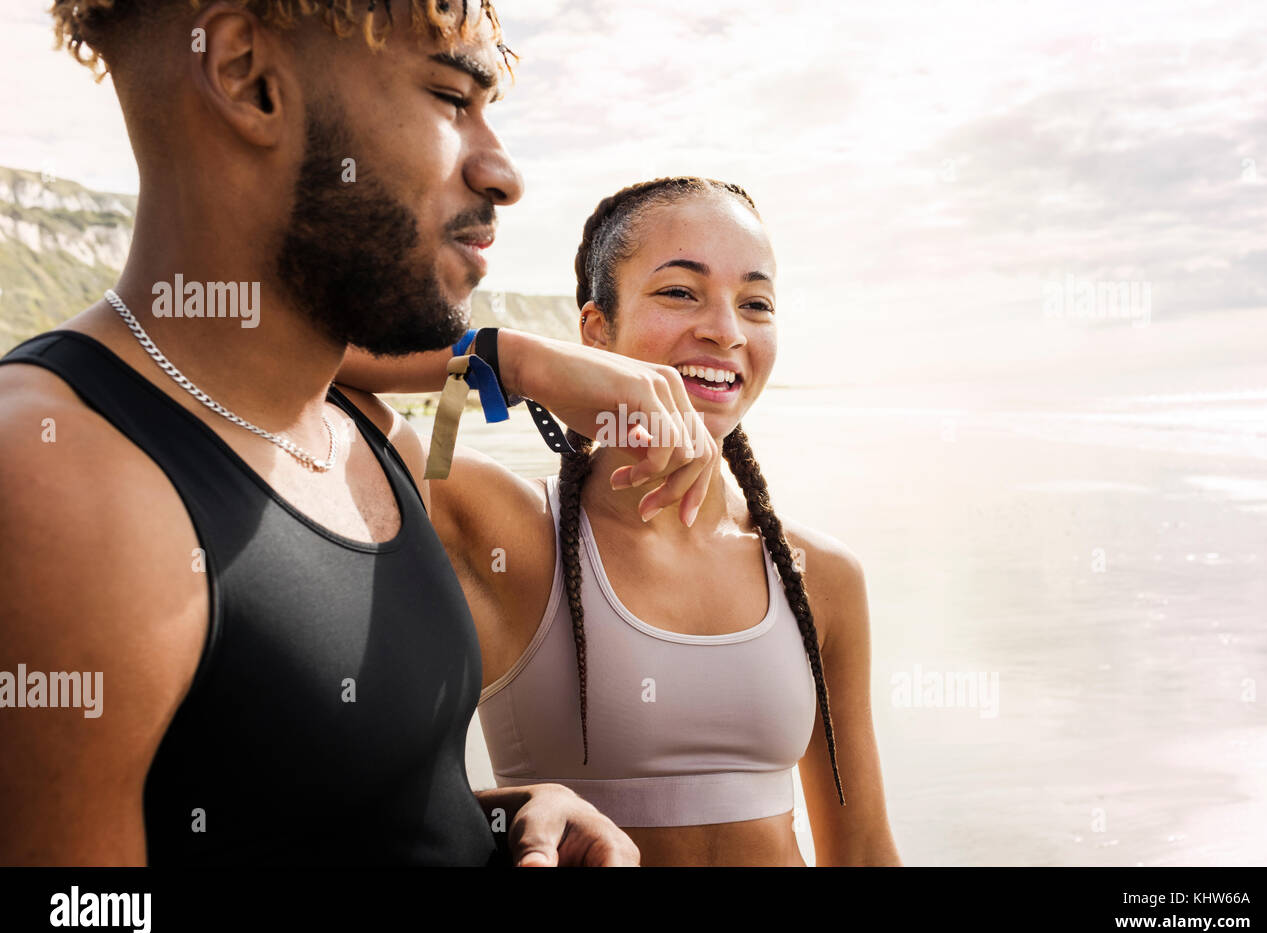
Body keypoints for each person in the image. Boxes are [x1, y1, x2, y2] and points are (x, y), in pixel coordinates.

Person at [0, 0, 721, 865]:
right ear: (249, 79)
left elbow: (311, 806)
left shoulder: (370, 443)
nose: (503, 172)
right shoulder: (59, 484)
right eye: (453, 98)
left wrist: (499, 821)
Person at [336, 176, 903, 866]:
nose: (724, 329)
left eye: (755, 303)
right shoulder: (511, 532)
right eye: (679, 292)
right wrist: (516, 359)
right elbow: (280, 375)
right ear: (595, 332)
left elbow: (865, 850)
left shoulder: (821, 576)